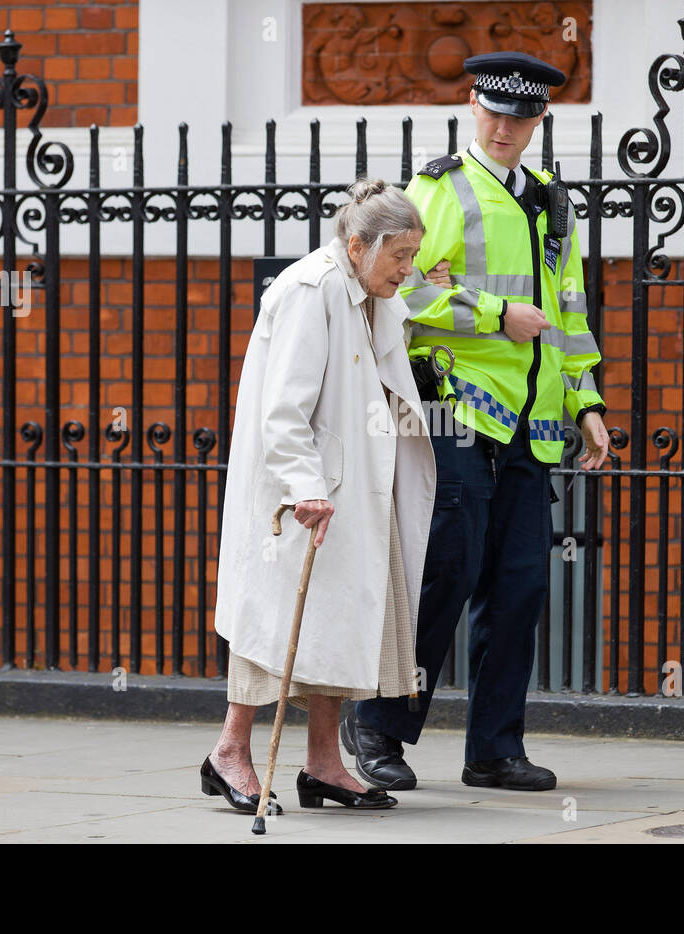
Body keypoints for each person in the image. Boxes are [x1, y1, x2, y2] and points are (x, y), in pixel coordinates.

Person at [341, 52, 610, 792]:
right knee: (445, 575)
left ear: (539, 122)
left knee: (520, 588)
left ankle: (493, 749)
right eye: (493, 113)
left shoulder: (554, 202)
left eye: (519, 117)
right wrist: (495, 312)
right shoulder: (434, 190)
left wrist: (587, 404)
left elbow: (569, 312)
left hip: (534, 422)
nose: (503, 128)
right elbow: (402, 295)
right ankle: (377, 725)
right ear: (471, 106)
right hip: (460, 413)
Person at [203, 179, 437, 813]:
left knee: (339, 621)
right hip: (304, 495)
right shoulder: (312, 289)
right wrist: (304, 486)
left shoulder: (363, 289)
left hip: (355, 488)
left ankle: (324, 765)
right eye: (399, 256)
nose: (406, 269)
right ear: (359, 244)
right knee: (273, 624)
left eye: (412, 255)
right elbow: (283, 409)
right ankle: (229, 752)